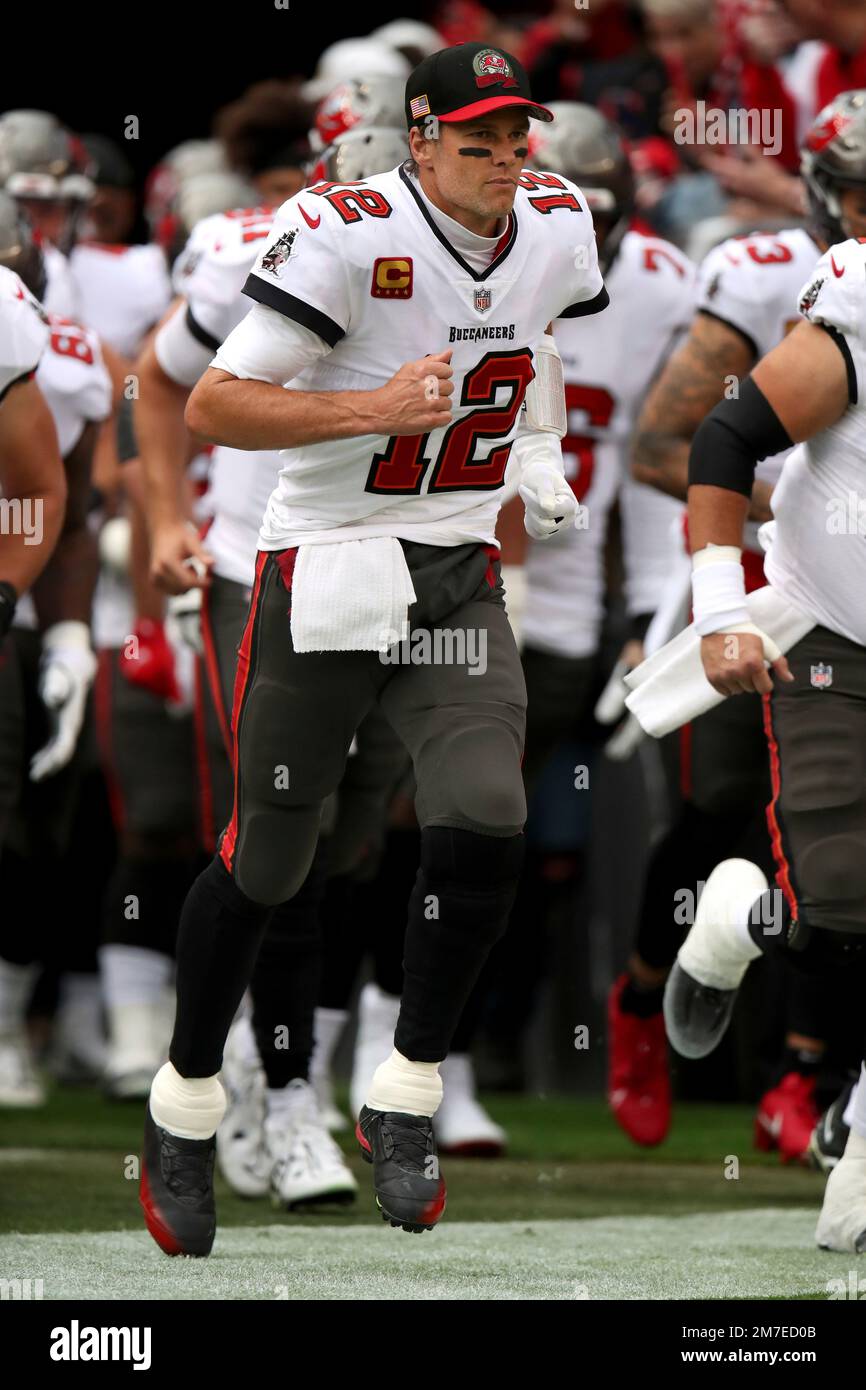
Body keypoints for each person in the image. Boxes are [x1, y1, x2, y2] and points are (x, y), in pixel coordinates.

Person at [139, 40, 608, 1256]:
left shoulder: (555, 221)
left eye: (516, 139)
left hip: (451, 574)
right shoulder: (345, 233)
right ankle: (184, 1102)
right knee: (270, 862)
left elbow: (532, 339)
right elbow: (212, 403)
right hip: (328, 572)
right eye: (475, 142)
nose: (505, 162)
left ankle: (401, 1094)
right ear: (418, 141)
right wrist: (373, 409)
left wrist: (540, 455)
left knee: (486, 814)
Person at [660, 93, 866, 1250]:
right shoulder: (853, 300)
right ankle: (739, 916)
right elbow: (724, 434)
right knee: (839, 903)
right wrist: (714, 607)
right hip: (834, 630)